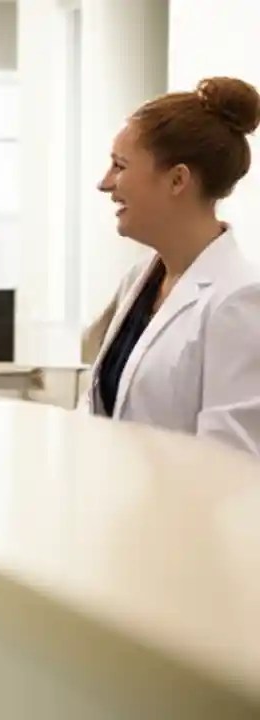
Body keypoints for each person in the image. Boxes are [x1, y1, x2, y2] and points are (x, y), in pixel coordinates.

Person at [88, 76, 260, 457]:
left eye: (120, 165)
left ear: (178, 179)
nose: (105, 183)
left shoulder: (240, 300)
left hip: (187, 516)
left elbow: (231, 462)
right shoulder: (140, 280)